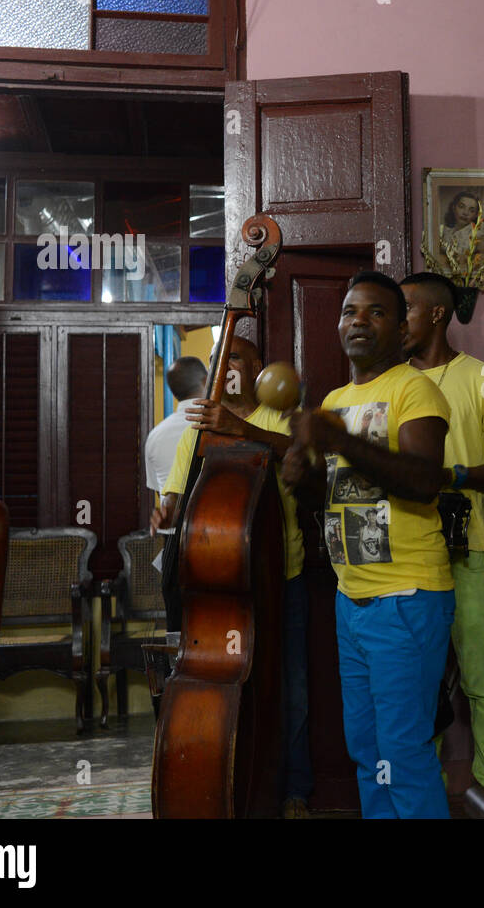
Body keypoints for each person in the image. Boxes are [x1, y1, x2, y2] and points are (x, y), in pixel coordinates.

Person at [283, 270, 455, 819]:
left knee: (404, 751)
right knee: (367, 750)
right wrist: (302, 474)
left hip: (407, 595)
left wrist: (338, 439)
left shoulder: (415, 388)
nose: (358, 320)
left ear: (402, 326)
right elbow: (326, 498)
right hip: (351, 598)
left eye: (376, 311)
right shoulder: (334, 400)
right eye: (349, 311)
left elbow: (425, 481)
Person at [151, 336, 311, 819]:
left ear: (258, 367)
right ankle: (235, 786)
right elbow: (176, 498)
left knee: (292, 687)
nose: (227, 367)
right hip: (224, 582)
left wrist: (239, 427)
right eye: (221, 360)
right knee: (231, 688)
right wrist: (165, 511)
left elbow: (303, 462)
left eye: (236, 357)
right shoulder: (195, 429)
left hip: (284, 576)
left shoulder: (280, 417)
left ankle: (295, 791)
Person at [401, 271, 484, 803]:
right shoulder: (392, 382)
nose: (393, 320)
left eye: (403, 308)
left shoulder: (483, 378)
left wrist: (454, 476)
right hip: (405, 559)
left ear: (435, 313)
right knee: (414, 688)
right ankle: (422, 795)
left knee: (481, 682)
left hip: (466, 550)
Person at [144, 356, 207, 498]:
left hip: (172, 519)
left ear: (173, 392)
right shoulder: (219, 426)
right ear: (205, 381)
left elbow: (161, 492)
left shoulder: (154, 436)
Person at [438, 190, 484, 261]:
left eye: (471, 210)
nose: (465, 213)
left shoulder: (478, 237)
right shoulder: (443, 232)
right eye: (461, 207)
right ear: (453, 208)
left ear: (475, 215)